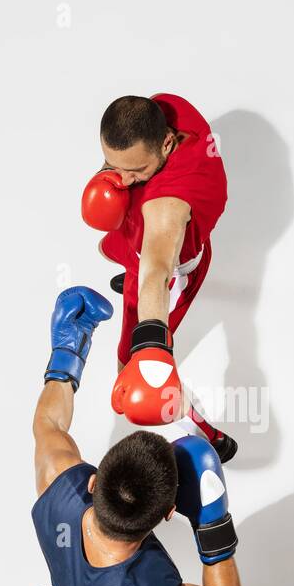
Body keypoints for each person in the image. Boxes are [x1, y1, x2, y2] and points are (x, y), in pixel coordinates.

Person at [28, 285, 243, 586]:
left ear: (93, 479)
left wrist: (67, 351)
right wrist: (212, 520)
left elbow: (49, 425)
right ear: (169, 513)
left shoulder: (57, 486)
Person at [81, 93, 238, 462]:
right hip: (139, 236)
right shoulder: (164, 111)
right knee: (110, 239)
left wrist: (151, 350)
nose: (120, 180)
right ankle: (124, 253)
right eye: (112, 164)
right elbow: (125, 166)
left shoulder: (167, 206)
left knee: (131, 373)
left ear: (168, 143)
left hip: (170, 269)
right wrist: (117, 171)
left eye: (134, 172)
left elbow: (155, 270)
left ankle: (207, 432)